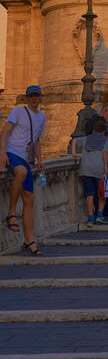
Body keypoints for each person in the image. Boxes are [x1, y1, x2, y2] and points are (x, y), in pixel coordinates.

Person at [1, 85, 46, 255]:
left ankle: (29, 240)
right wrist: (2, 153)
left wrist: (40, 159)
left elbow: (36, 141)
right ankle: (11, 213)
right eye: (31, 96)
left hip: (27, 158)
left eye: (36, 96)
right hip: (12, 152)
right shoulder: (18, 111)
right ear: (27, 98)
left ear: (40, 98)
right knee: (21, 172)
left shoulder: (42, 117)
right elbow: (5, 132)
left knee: (29, 200)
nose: (34, 99)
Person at [77, 116, 108, 226]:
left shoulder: (86, 139)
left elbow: (74, 141)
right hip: (98, 169)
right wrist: (106, 168)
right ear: (103, 131)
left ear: (93, 130)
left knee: (89, 193)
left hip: (86, 169)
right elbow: (105, 154)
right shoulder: (104, 139)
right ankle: (99, 214)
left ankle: (91, 216)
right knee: (102, 193)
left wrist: (74, 154)